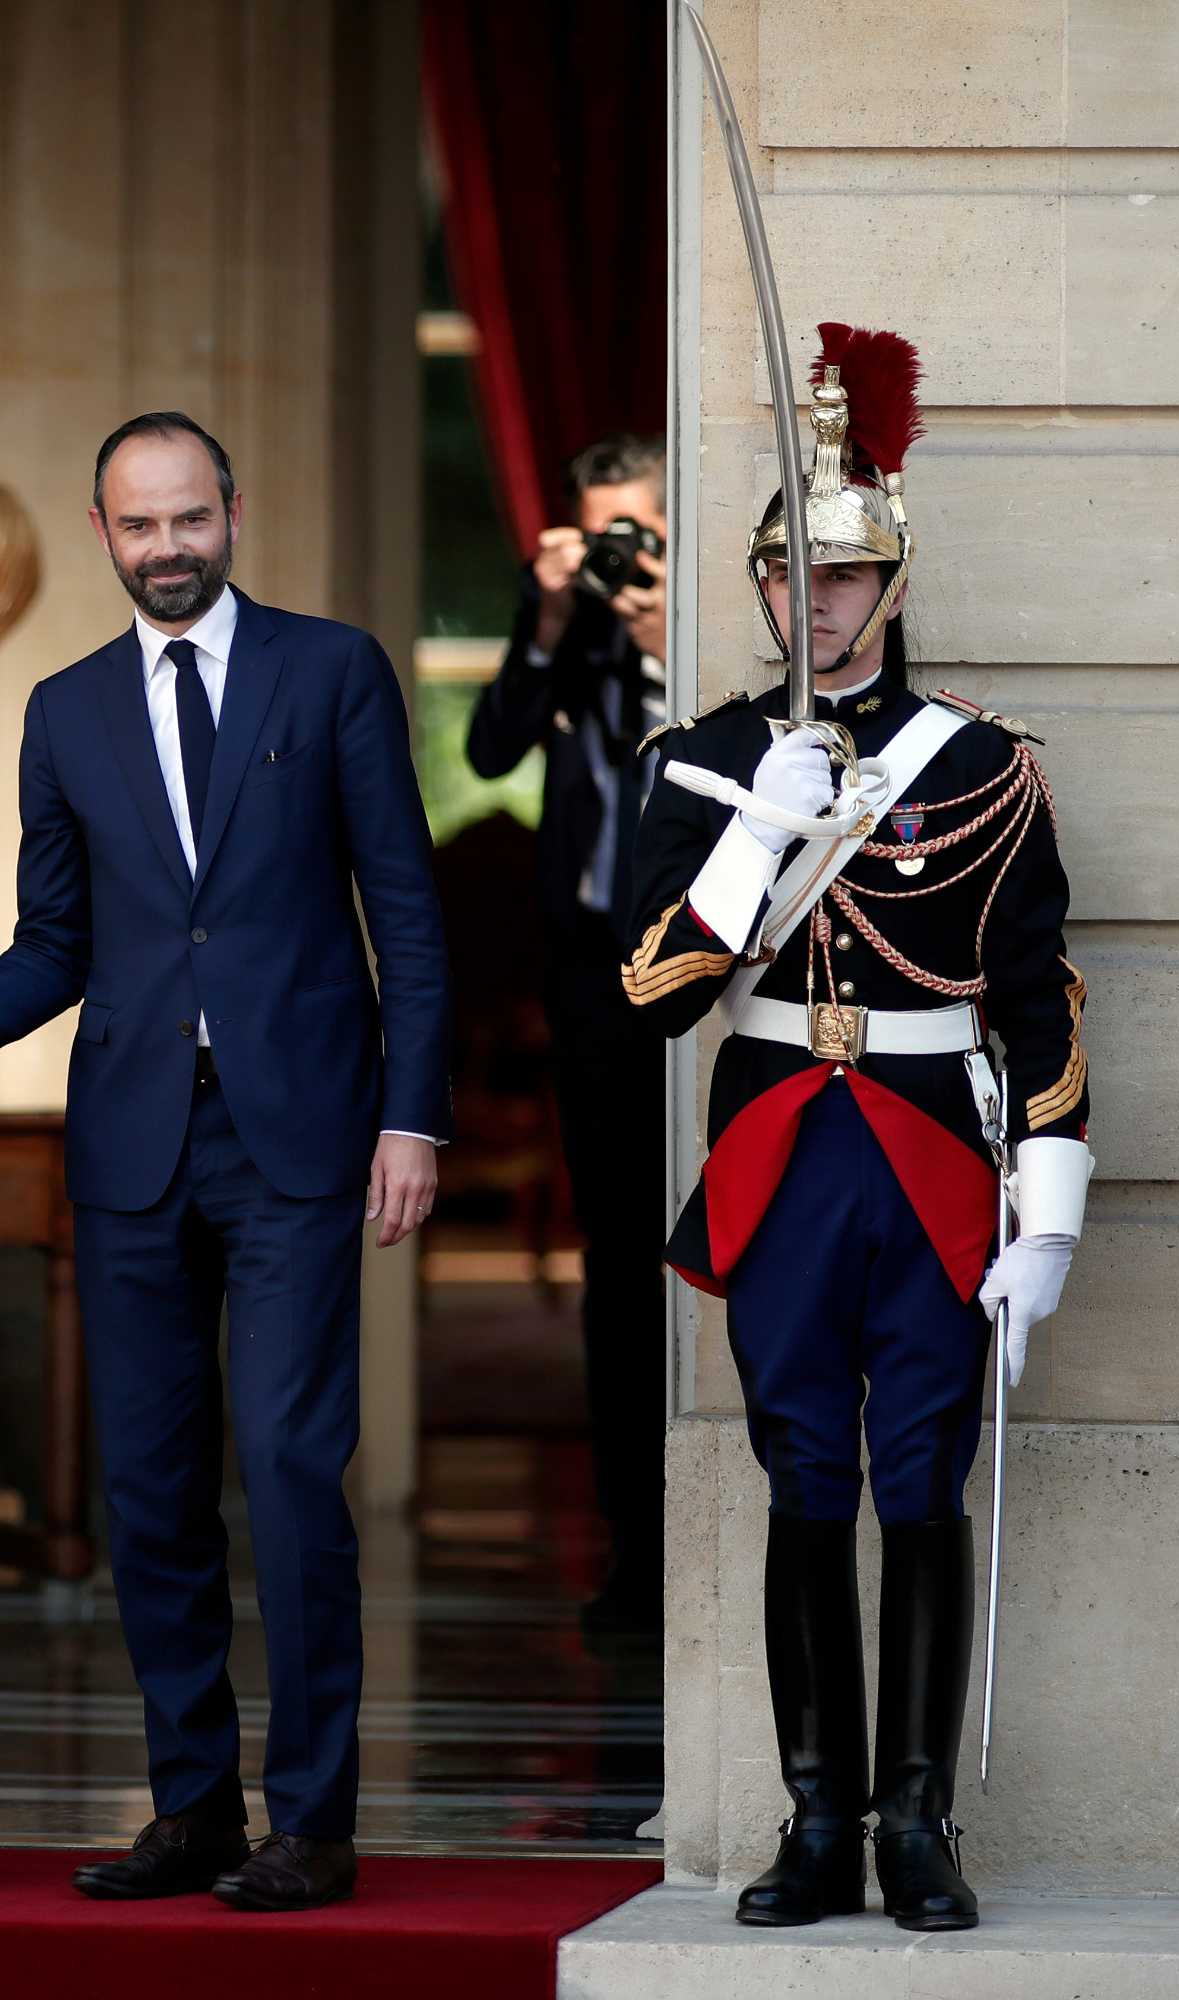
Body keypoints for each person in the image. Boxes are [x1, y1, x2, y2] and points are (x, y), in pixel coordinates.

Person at [0, 414, 451, 1913]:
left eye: (191, 518)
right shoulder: (64, 710)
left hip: (302, 1142)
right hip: (128, 1148)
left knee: (294, 1471)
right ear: (105, 534)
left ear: (234, 514)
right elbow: (58, 944)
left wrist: (413, 1115)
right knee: (150, 1487)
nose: (169, 547)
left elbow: (410, 916)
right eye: (140, 525)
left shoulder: (334, 672)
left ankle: (313, 1822)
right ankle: (193, 1807)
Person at [618, 326, 1088, 1933]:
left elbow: (1037, 996)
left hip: (935, 1157)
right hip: (779, 1154)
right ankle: (818, 1818)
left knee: (923, 1480)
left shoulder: (983, 771)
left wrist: (1053, 1210)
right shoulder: (704, 761)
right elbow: (651, 990)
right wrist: (759, 827)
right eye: (789, 580)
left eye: (842, 581)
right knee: (804, 1472)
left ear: (890, 588)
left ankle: (918, 1821)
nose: (814, 606)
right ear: (757, 590)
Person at [464, 433, 673, 1630]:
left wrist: (660, 632)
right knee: (614, 1263)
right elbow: (492, 751)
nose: (617, 554)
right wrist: (547, 621)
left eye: (636, 530)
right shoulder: (567, 626)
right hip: (596, 975)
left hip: (719, 969)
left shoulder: (697, 617)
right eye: (599, 532)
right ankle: (632, 1553)